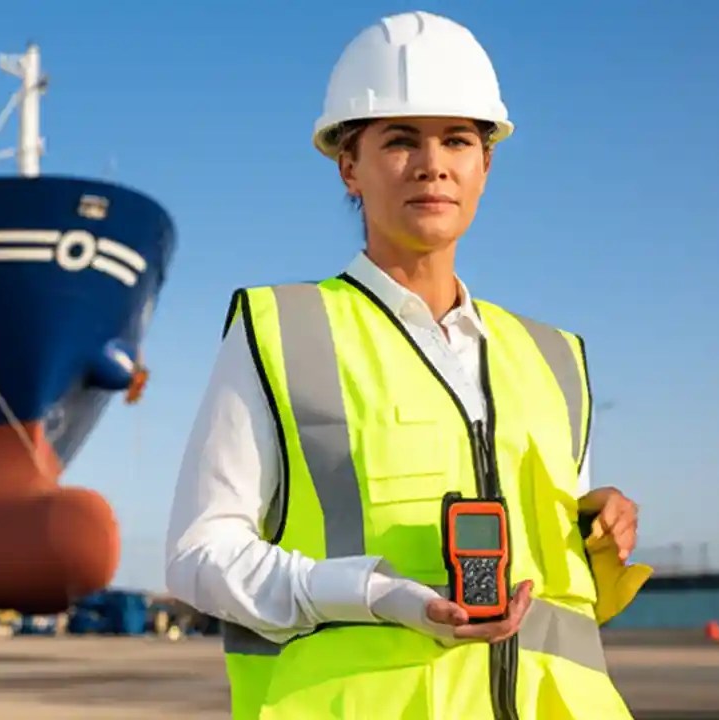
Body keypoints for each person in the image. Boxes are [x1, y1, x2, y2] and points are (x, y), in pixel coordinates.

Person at [164, 10, 645, 719]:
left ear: (486, 165)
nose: (433, 164)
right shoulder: (283, 332)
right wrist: (372, 593)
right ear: (348, 166)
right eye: (400, 140)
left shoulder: (554, 358)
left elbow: (555, 607)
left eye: (457, 139)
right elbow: (196, 555)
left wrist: (588, 532)